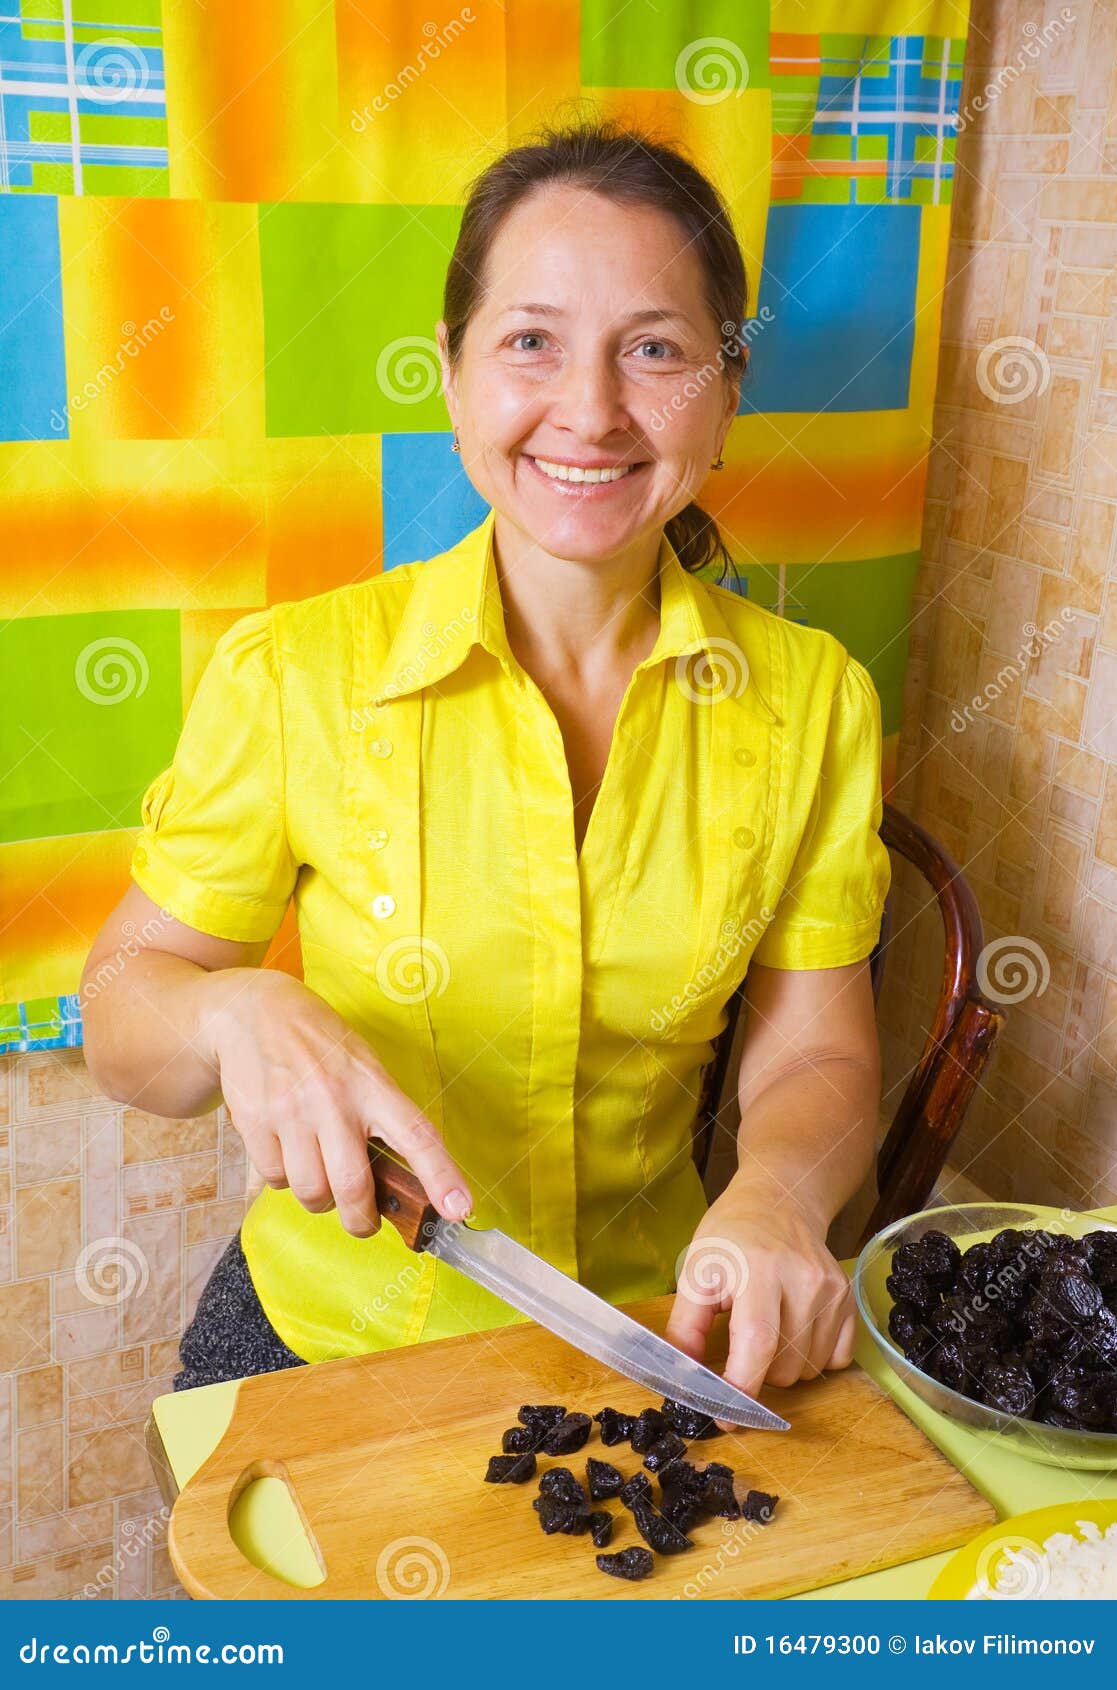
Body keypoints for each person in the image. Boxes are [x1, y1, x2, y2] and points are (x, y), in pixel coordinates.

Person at [81, 117, 891, 1410]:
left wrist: (779, 1193)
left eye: (655, 349)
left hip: (657, 1324)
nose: (588, 409)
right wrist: (226, 1009)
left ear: (727, 390)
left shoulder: (813, 701)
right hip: (331, 1335)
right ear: (453, 375)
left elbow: (816, 1054)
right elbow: (124, 1012)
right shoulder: (291, 672)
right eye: (530, 342)